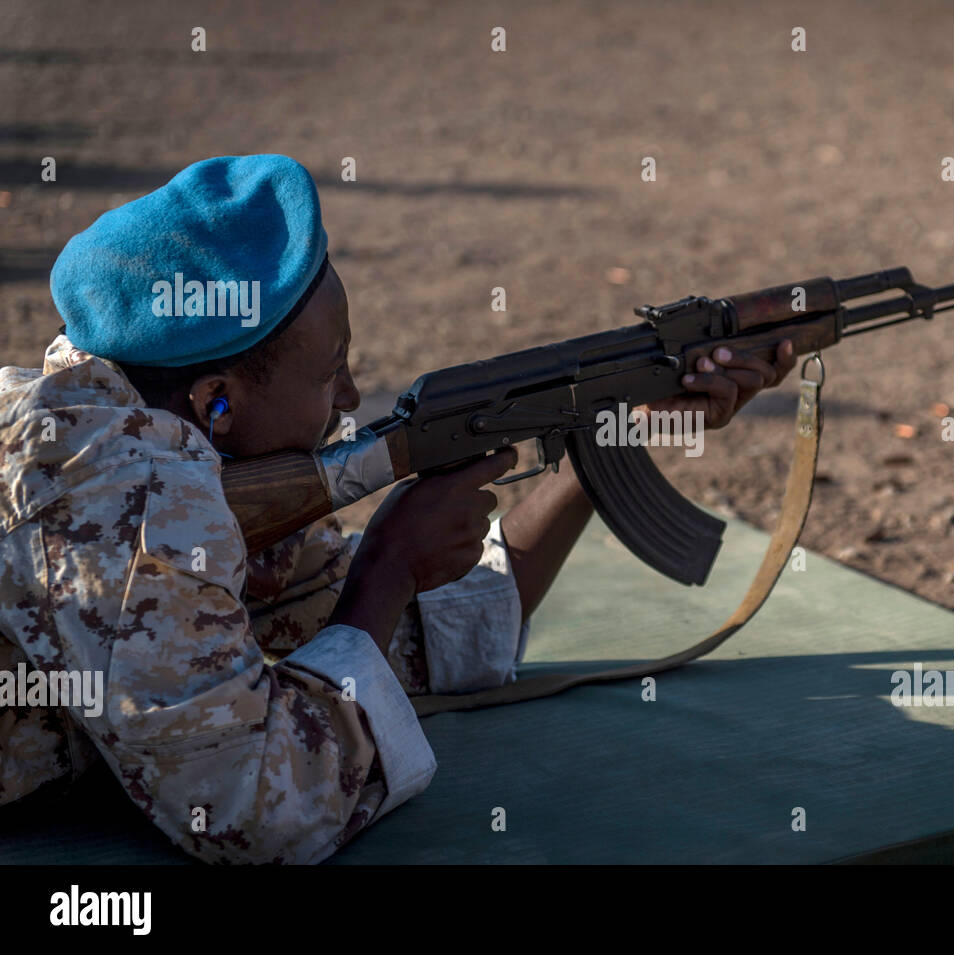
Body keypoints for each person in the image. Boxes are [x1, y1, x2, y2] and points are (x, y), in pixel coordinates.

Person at [0, 154, 795, 863]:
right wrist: (386, 569)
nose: (350, 398)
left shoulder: (160, 440)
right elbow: (256, 811)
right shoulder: (125, 506)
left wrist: (610, 433)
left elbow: (420, 647)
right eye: (332, 372)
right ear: (215, 402)